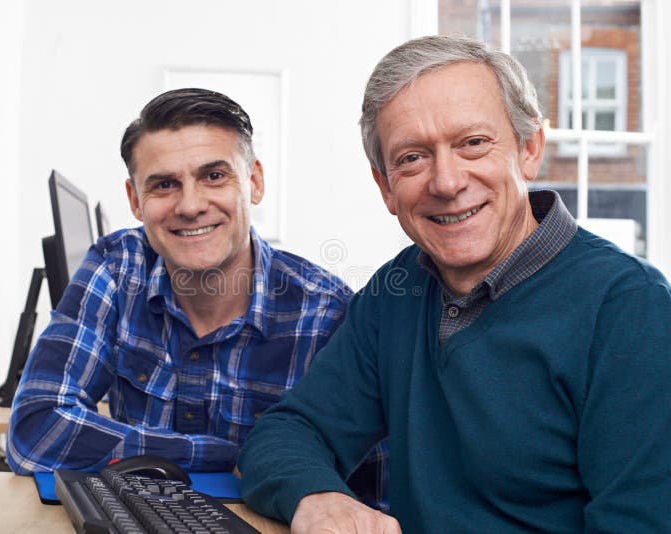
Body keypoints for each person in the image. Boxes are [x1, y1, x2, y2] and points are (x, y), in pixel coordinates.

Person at [237, 35, 671, 533]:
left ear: (529, 149)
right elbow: (287, 432)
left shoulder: (631, 310)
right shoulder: (395, 289)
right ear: (385, 188)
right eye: (412, 158)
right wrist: (316, 496)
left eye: (473, 143)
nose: (446, 182)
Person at [6, 88, 387, 509]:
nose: (189, 206)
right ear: (135, 200)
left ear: (254, 182)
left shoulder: (325, 313)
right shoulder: (118, 268)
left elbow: (371, 490)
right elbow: (36, 430)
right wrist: (241, 453)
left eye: (214, 176)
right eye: (164, 184)